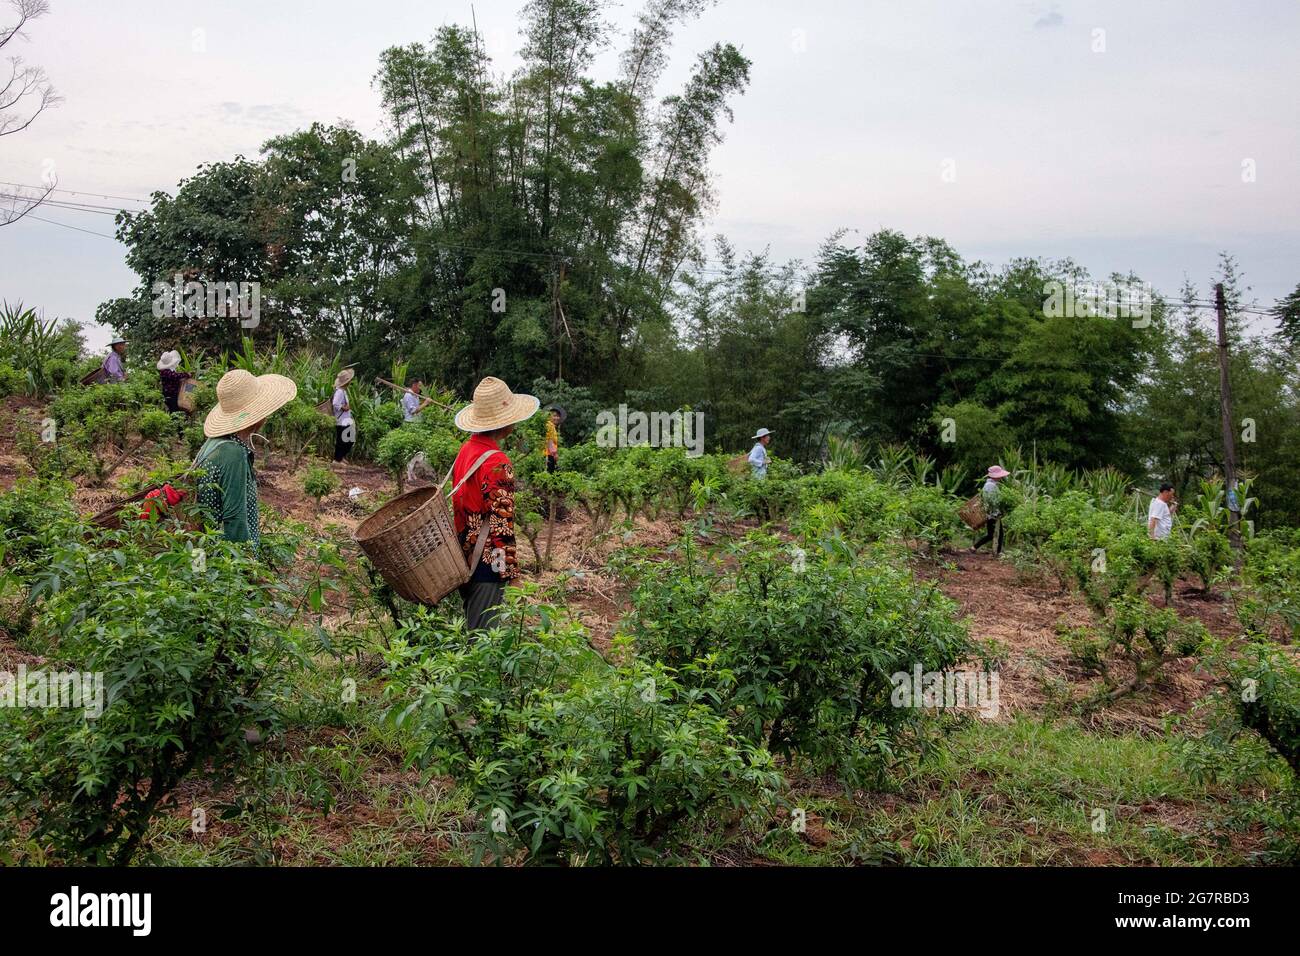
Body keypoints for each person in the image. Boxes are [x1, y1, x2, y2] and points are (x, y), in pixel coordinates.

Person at [450, 376, 540, 631]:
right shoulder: (497, 461)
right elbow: (501, 525)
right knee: (482, 638)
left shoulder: (466, 450)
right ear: (506, 422)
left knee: (476, 624)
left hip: (465, 554)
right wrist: (510, 574)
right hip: (487, 562)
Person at [194, 368, 297, 549]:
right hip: (224, 562)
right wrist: (247, 568)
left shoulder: (215, 443)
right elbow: (234, 518)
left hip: (203, 551)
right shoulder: (232, 454)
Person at [972, 464, 1010, 555]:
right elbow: (993, 501)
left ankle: (975, 548)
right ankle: (997, 552)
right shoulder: (990, 486)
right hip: (993, 514)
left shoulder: (990, 484)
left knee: (993, 534)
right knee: (997, 534)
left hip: (992, 513)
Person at [332, 368, 355, 462]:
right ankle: (337, 460)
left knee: (349, 440)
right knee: (343, 441)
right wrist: (343, 408)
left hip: (345, 419)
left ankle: (340, 457)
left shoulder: (343, 391)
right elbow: (335, 403)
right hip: (341, 420)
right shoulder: (339, 392)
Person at [544, 405, 565, 472]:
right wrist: (555, 454)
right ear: (549, 416)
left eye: (558, 416)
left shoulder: (552, 426)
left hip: (549, 454)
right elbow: (549, 440)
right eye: (554, 416)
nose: (557, 418)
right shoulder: (549, 425)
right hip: (548, 455)